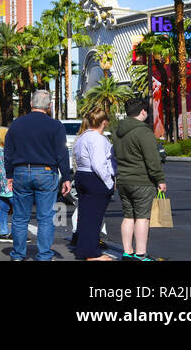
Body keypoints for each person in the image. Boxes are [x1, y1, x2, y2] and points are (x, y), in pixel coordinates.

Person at [4, 89, 72, 262]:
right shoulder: (55, 125)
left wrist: (9, 174)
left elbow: (8, 152)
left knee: (20, 217)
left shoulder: (16, 124)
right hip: (46, 172)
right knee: (45, 217)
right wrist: (66, 177)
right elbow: (62, 154)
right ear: (49, 106)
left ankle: (18, 255)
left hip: (20, 171)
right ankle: (44, 255)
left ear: (31, 104)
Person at [112, 97, 167, 262]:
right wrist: (160, 179)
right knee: (143, 217)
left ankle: (127, 253)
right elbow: (152, 159)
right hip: (141, 181)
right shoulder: (143, 131)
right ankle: (141, 254)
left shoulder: (117, 131)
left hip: (122, 180)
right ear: (142, 112)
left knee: (128, 216)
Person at [72, 106, 117, 261]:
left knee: (85, 217)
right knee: (94, 218)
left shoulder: (82, 137)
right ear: (104, 122)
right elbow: (98, 164)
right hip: (94, 179)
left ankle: (84, 250)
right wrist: (109, 182)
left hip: (82, 176)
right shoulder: (98, 139)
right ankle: (91, 253)